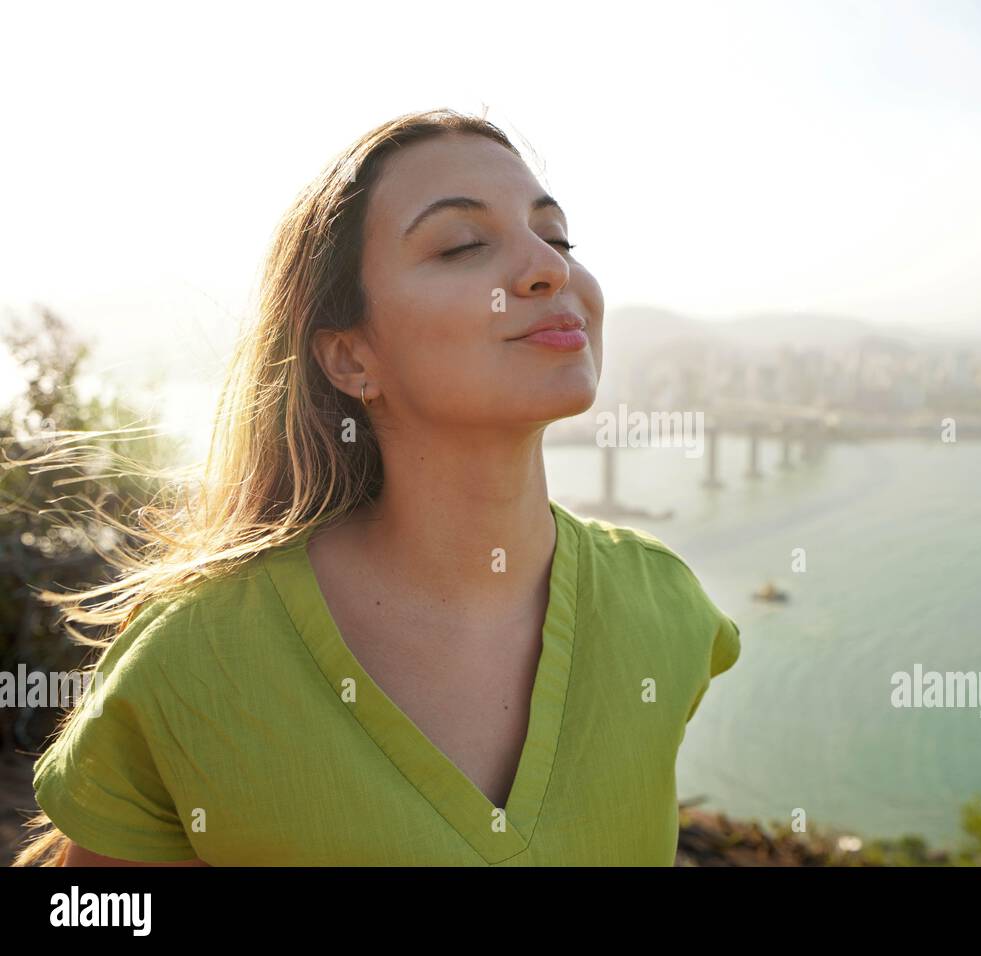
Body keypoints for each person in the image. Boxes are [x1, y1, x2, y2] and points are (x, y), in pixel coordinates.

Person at [13, 108, 740, 866]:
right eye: (462, 245)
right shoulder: (198, 657)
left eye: (556, 237)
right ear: (351, 358)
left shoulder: (666, 612)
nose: (549, 268)